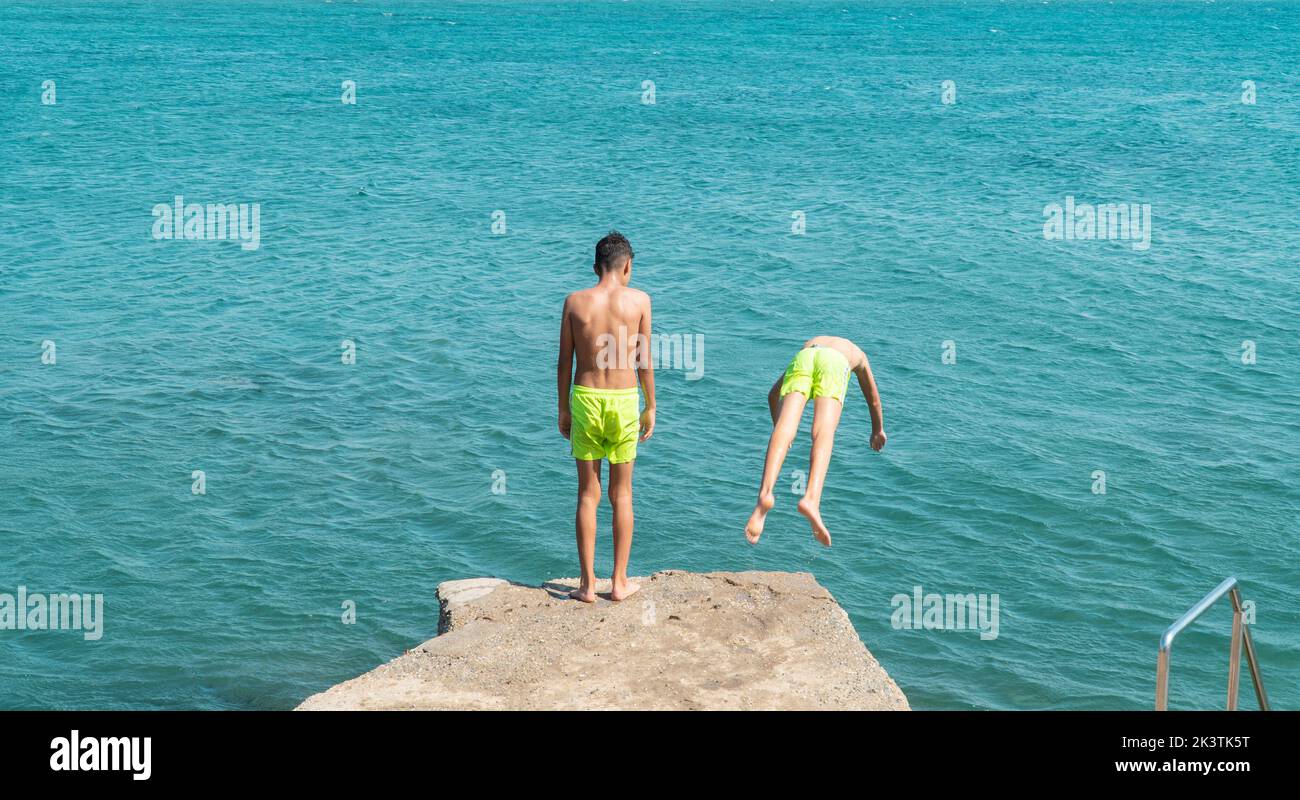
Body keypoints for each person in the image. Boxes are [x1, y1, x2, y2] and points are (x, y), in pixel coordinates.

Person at [557, 232, 656, 602]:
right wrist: (651, 406)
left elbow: (564, 361)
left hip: (585, 398)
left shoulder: (575, 302)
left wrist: (563, 408)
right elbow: (643, 361)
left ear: (596, 266)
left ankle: (586, 586)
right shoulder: (640, 301)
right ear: (627, 265)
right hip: (623, 400)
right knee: (622, 493)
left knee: (588, 493)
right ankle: (618, 583)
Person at [744, 336, 885, 547]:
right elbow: (873, 400)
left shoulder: (812, 345)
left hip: (805, 356)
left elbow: (772, 395)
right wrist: (877, 429)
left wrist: (782, 434)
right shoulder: (859, 356)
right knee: (823, 431)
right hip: (835, 363)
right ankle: (811, 498)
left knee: (785, 426)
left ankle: (764, 495)